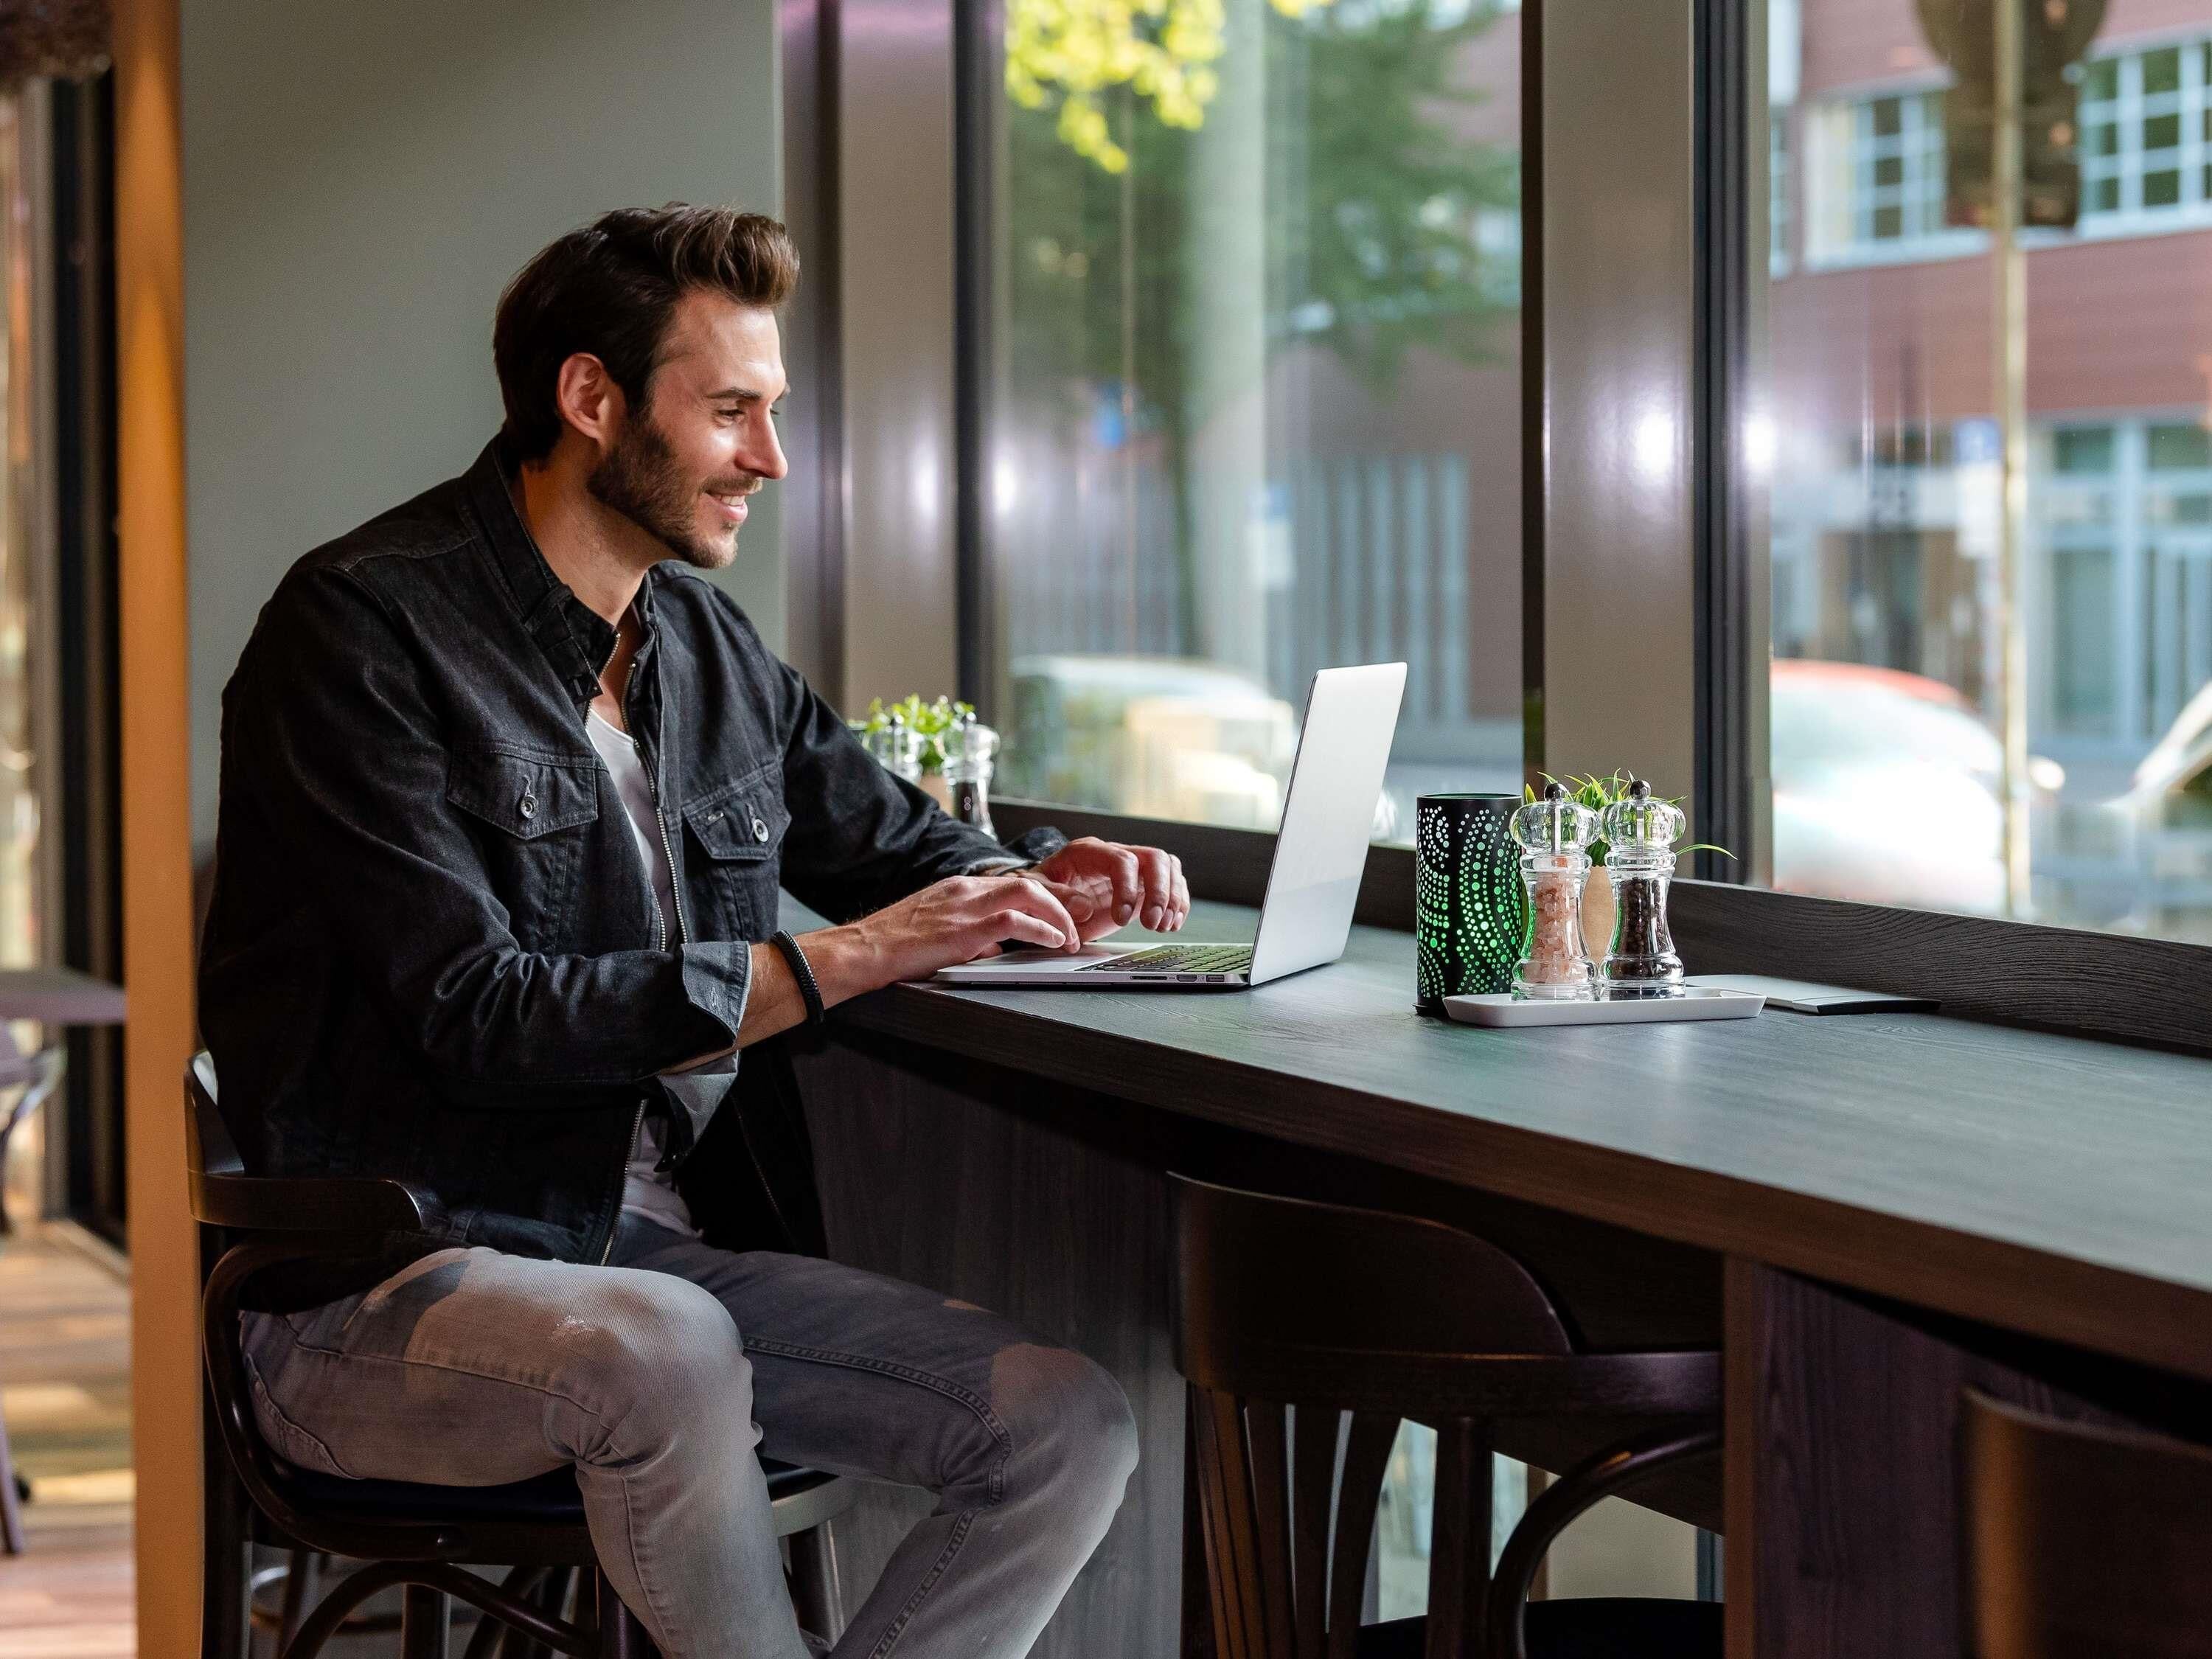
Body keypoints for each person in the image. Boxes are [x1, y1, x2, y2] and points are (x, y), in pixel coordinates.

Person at [198, 204, 1189, 1659]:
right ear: (591, 400)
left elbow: (891, 844)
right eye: (732, 411)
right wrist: (842, 958)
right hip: (382, 1291)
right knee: (668, 1353)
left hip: (666, 1276)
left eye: (773, 413)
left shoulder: (706, 646)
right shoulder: (359, 630)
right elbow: (481, 1011)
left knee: (1064, 1423)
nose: (771, 460)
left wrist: (1042, 875)